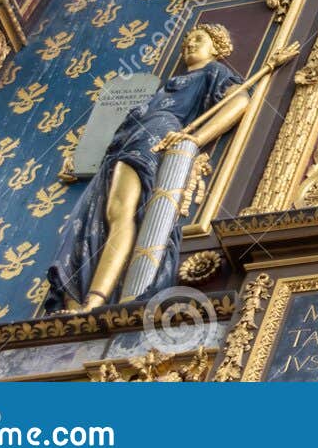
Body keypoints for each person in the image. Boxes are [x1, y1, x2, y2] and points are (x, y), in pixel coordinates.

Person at [43, 26, 296, 312]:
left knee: (121, 213)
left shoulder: (212, 73)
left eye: (199, 39)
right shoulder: (167, 85)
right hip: (125, 147)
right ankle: (80, 301)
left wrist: (196, 138)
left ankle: (96, 300)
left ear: (217, 48)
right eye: (186, 40)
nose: (189, 44)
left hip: (151, 141)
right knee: (91, 221)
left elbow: (239, 101)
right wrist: (85, 163)